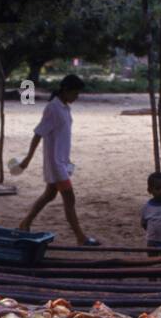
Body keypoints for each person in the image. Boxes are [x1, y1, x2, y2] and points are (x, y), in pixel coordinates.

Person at [17, 73, 100, 246]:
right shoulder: (52, 108)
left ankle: (25, 223)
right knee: (69, 199)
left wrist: (68, 161)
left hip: (62, 161)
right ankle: (81, 237)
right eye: (75, 93)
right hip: (56, 164)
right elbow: (38, 134)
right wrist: (28, 158)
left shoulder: (64, 107)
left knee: (49, 195)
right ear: (66, 90)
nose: (77, 97)